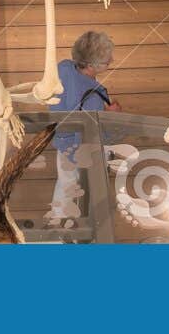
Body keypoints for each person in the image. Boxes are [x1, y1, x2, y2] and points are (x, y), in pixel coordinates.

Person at [45, 29, 120, 226]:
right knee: (83, 195)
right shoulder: (93, 97)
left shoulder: (63, 69)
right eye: (106, 60)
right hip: (82, 153)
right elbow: (103, 136)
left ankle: (58, 230)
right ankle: (79, 234)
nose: (111, 61)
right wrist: (113, 117)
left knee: (64, 188)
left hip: (62, 145)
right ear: (92, 66)